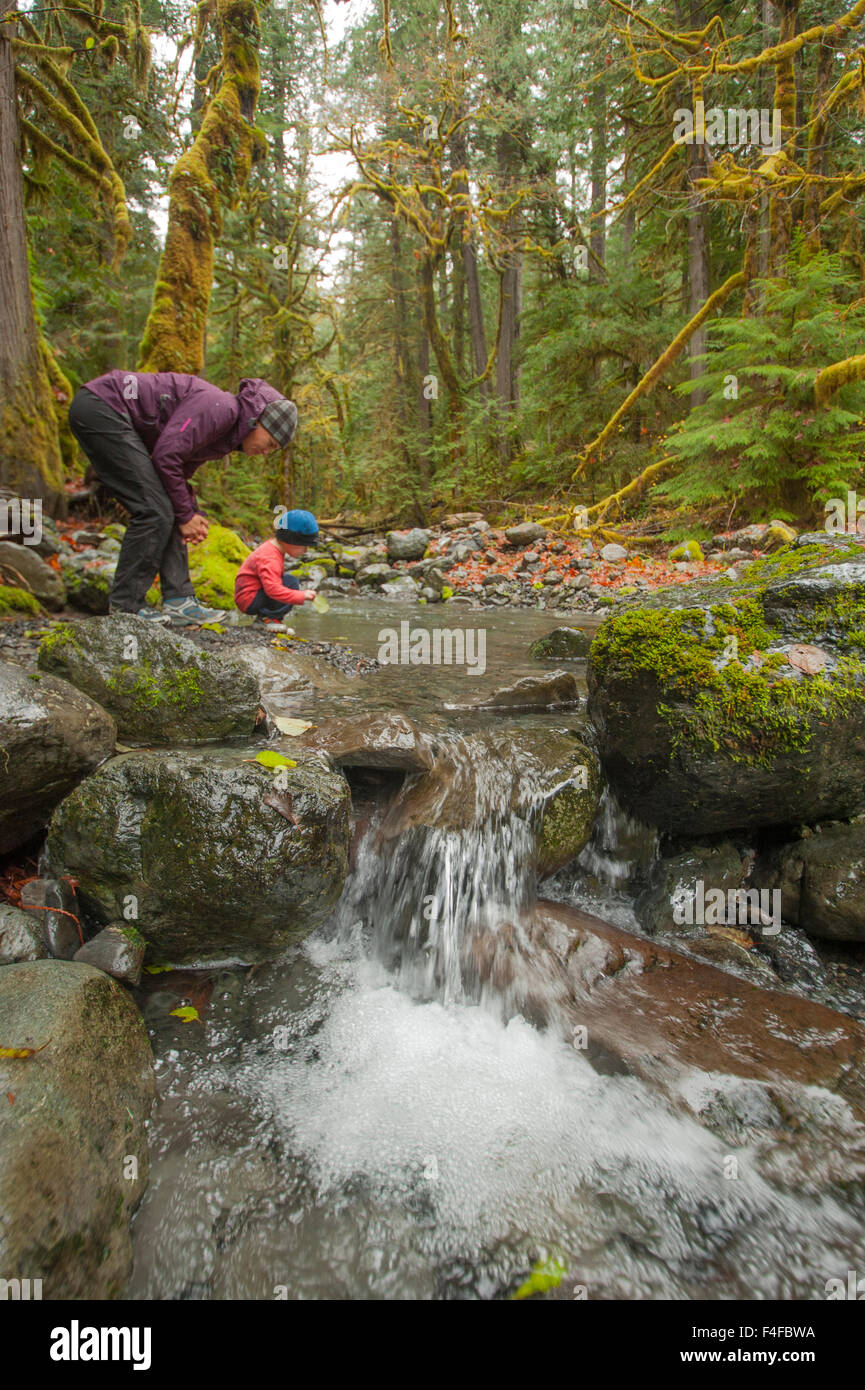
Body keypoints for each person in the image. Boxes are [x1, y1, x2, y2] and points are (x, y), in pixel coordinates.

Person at [67, 370, 299, 624]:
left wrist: (190, 513)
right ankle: (126, 607)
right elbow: (166, 457)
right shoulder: (222, 409)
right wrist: (185, 515)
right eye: (270, 443)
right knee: (155, 511)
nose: (266, 452)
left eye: (273, 450)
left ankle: (179, 600)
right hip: (103, 405)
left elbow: (178, 474)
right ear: (258, 421)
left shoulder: (227, 434)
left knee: (170, 506)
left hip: (106, 410)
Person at [234, 509, 320, 621]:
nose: (305, 551)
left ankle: (270, 618)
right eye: (304, 546)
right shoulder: (270, 558)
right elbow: (273, 590)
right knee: (291, 584)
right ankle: (268, 619)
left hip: (252, 594)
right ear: (291, 540)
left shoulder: (274, 548)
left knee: (289, 580)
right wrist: (301, 596)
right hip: (249, 599)